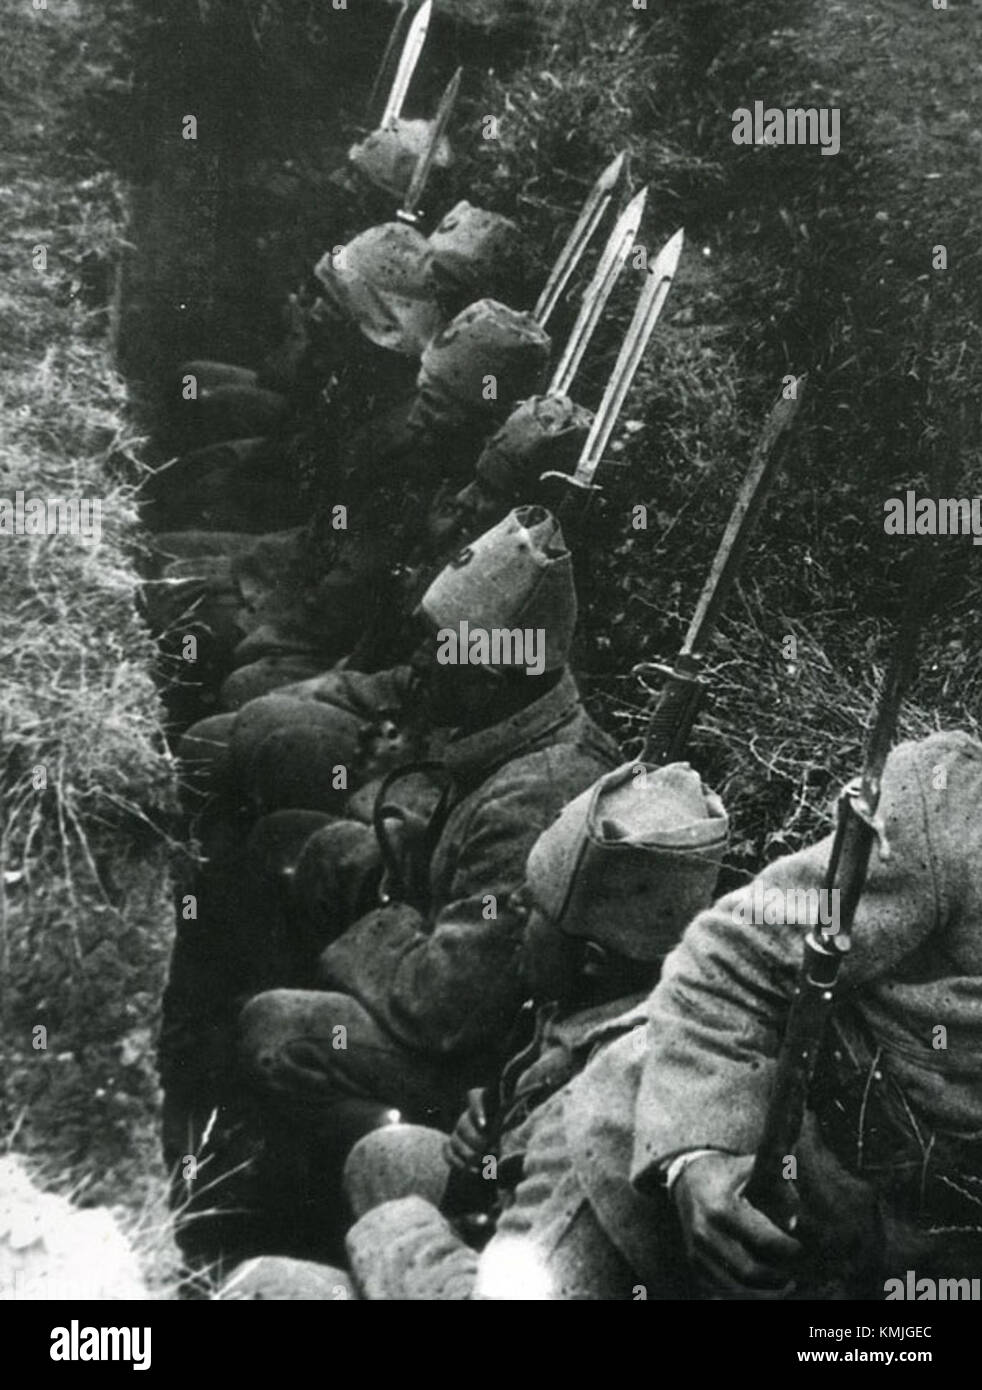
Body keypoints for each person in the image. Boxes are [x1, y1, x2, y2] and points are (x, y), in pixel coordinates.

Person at [160, 506, 618, 1264]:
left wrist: (372, 923)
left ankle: (273, 1203)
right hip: (431, 942)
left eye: (444, 650)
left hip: (476, 1060)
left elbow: (444, 1006)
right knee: (296, 846)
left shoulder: (535, 795)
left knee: (281, 1028)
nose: (425, 663)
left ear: (497, 667)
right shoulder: (506, 716)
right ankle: (206, 1063)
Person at [225, 757, 729, 1299]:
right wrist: (496, 1150)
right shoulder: (612, 1004)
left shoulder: (598, 1116)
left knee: (260, 1287)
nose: (511, 906)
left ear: (593, 960)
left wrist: (394, 1228)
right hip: (529, 1229)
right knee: (382, 1157)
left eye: (533, 906)